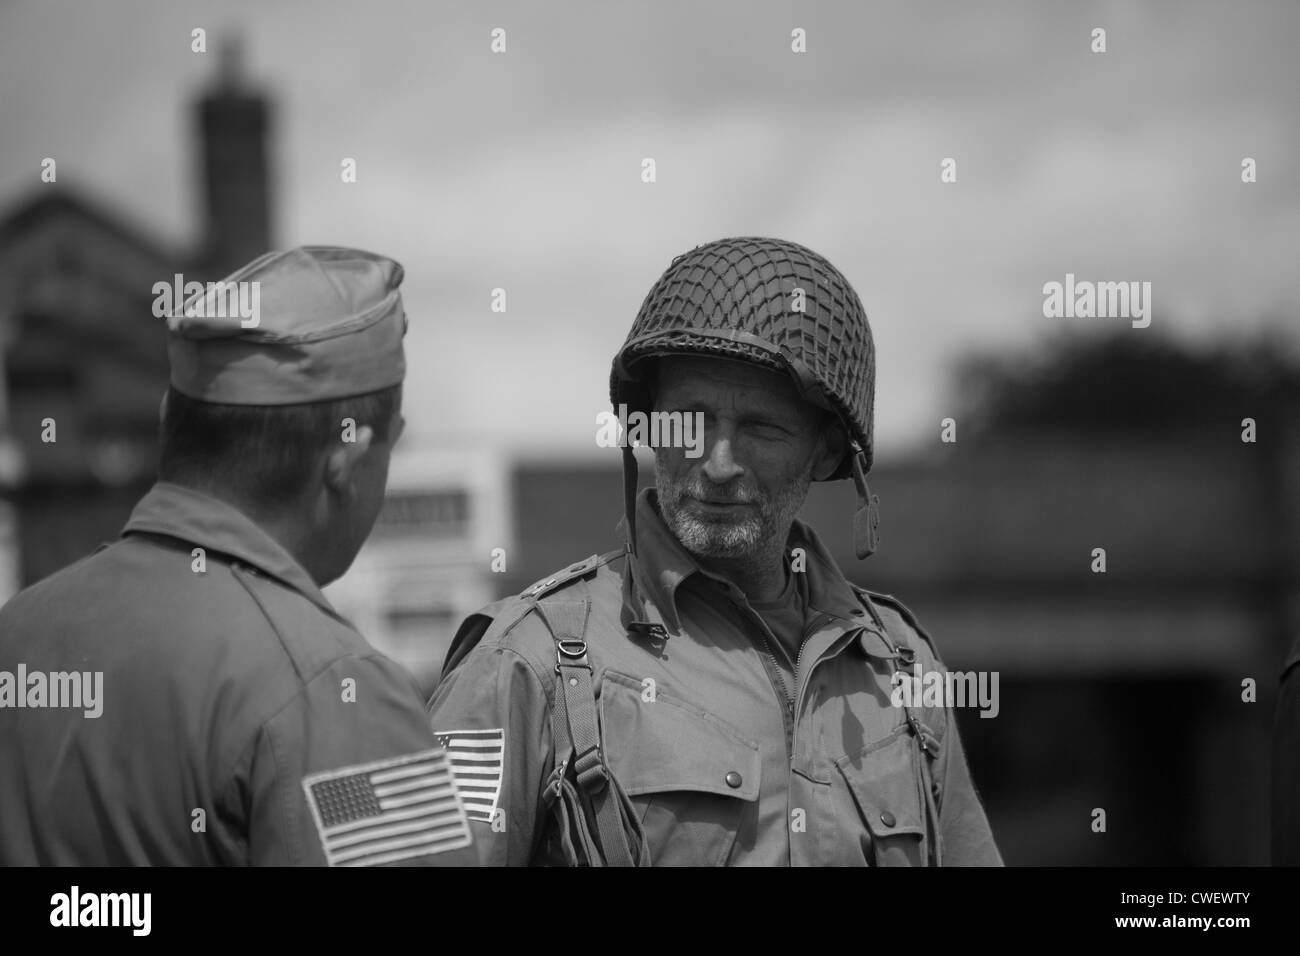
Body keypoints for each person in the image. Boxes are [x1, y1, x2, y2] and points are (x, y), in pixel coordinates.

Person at [429, 236, 1002, 866]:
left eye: (761, 428)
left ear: (827, 452)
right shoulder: (525, 661)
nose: (719, 463)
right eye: (689, 421)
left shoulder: (900, 667)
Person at [0, 246, 475, 866]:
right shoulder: (333, 692)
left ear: (172, 419)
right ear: (347, 460)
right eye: (395, 442)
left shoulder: (18, 632)